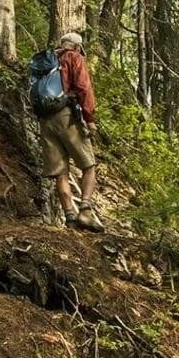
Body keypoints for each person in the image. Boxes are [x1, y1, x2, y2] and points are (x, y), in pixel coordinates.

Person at [43, 32, 104, 232]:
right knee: (89, 164)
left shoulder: (45, 60)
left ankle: (69, 217)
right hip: (66, 116)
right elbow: (84, 88)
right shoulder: (74, 57)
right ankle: (85, 210)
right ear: (76, 47)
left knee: (61, 171)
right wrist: (90, 120)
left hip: (45, 120)